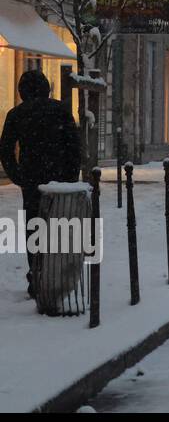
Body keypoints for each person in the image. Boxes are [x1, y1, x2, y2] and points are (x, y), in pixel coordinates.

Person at [0, 70, 82, 300]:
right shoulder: (61, 110)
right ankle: (56, 274)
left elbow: (5, 150)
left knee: (34, 228)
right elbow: (74, 147)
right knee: (59, 226)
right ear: (46, 88)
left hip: (33, 180)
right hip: (58, 180)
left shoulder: (17, 114)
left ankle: (36, 274)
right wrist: (70, 177)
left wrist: (18, 176)